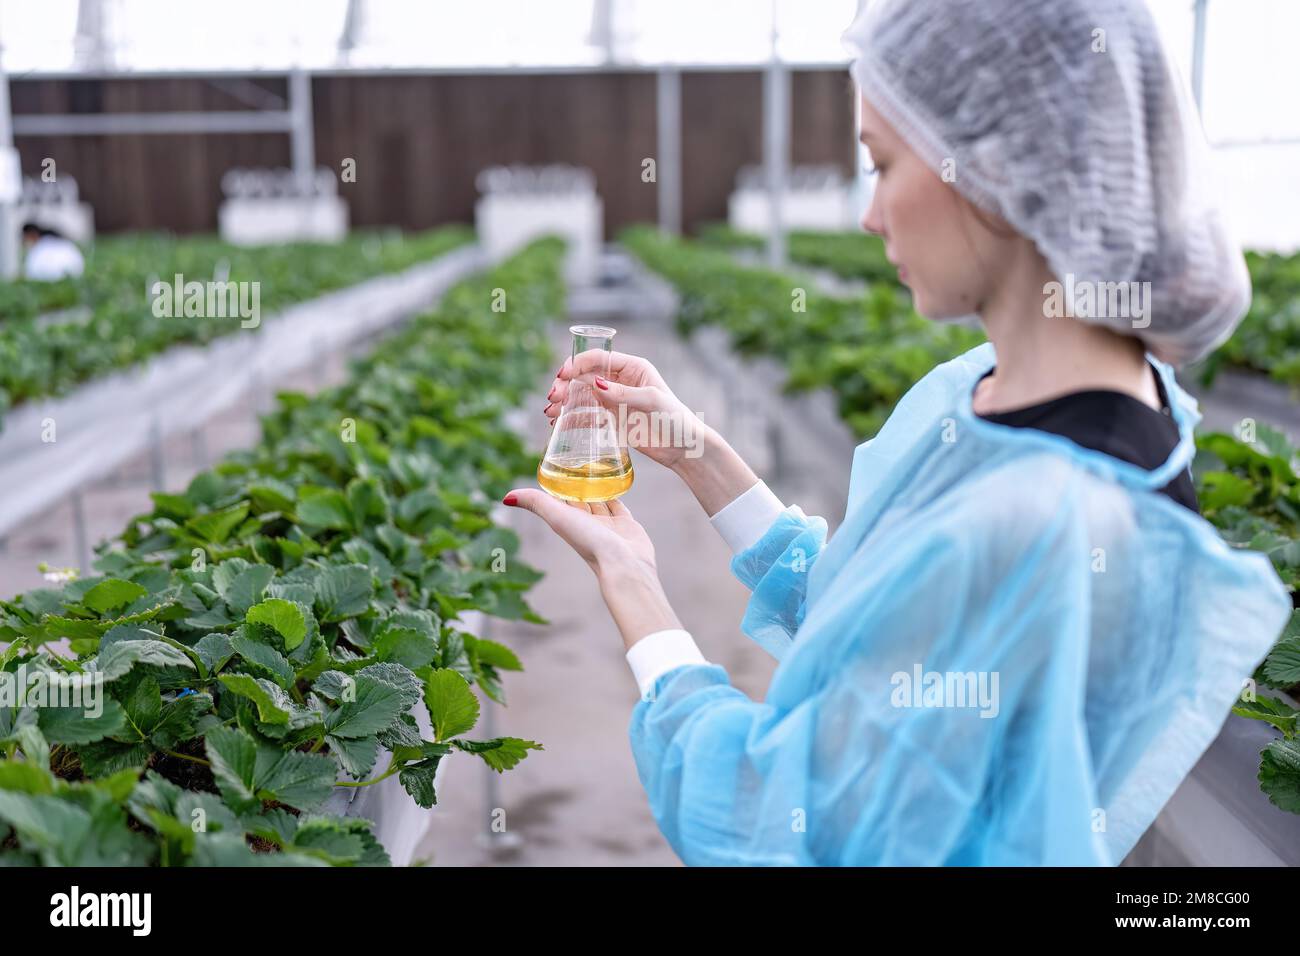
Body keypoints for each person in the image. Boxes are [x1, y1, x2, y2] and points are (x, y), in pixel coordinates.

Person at [502, 0, 1294, 865]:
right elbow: (870, 624)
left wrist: (635, 586)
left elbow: (777, 816)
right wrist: (696, 449)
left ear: (998, 171)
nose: (870, 216)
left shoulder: (1045, 516)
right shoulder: (1014, 397)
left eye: (881, 165)